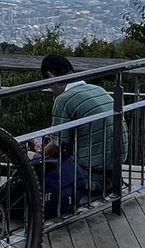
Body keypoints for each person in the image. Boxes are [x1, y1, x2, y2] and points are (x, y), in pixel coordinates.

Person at [27, 54, 127, 204]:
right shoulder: (98, 89)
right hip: (114, 172)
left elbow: (57, 145)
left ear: (50, 76)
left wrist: (38, 151)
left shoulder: (64, 99)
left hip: (88, 178)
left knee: (27, 157)